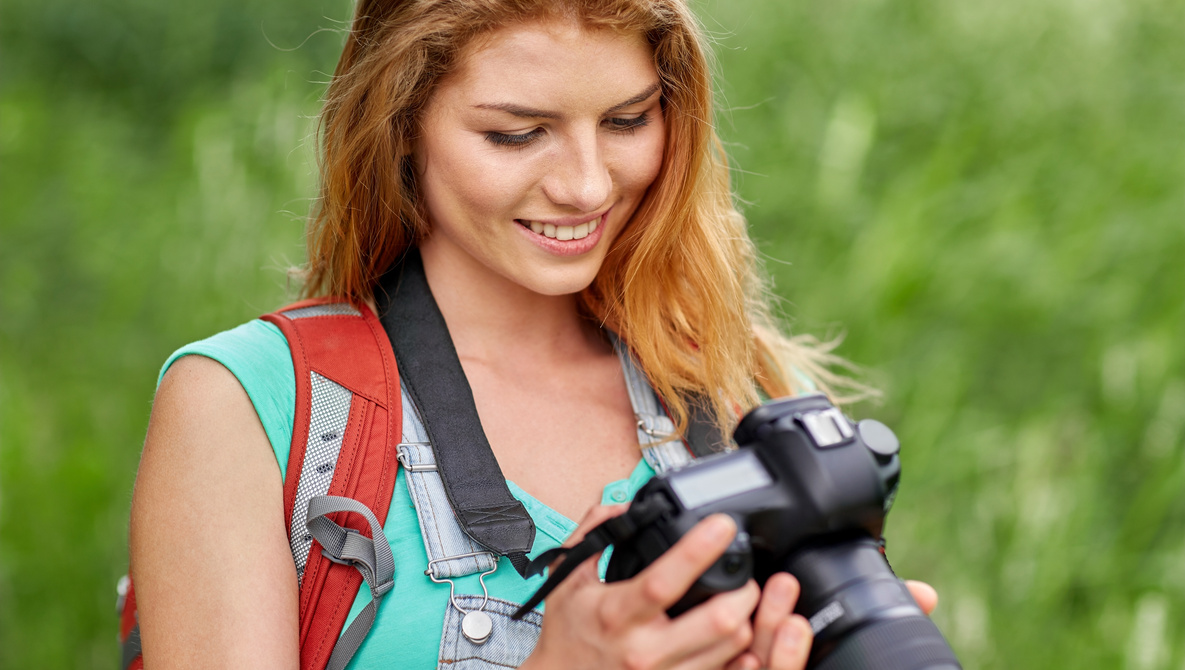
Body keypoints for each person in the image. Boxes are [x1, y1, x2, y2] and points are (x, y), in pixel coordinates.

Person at [129, 1, 938, 668]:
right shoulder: (251, 406)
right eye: (516, 134)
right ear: (400, 125)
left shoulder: (740, 391)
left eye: (627, 120)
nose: (586, 185)